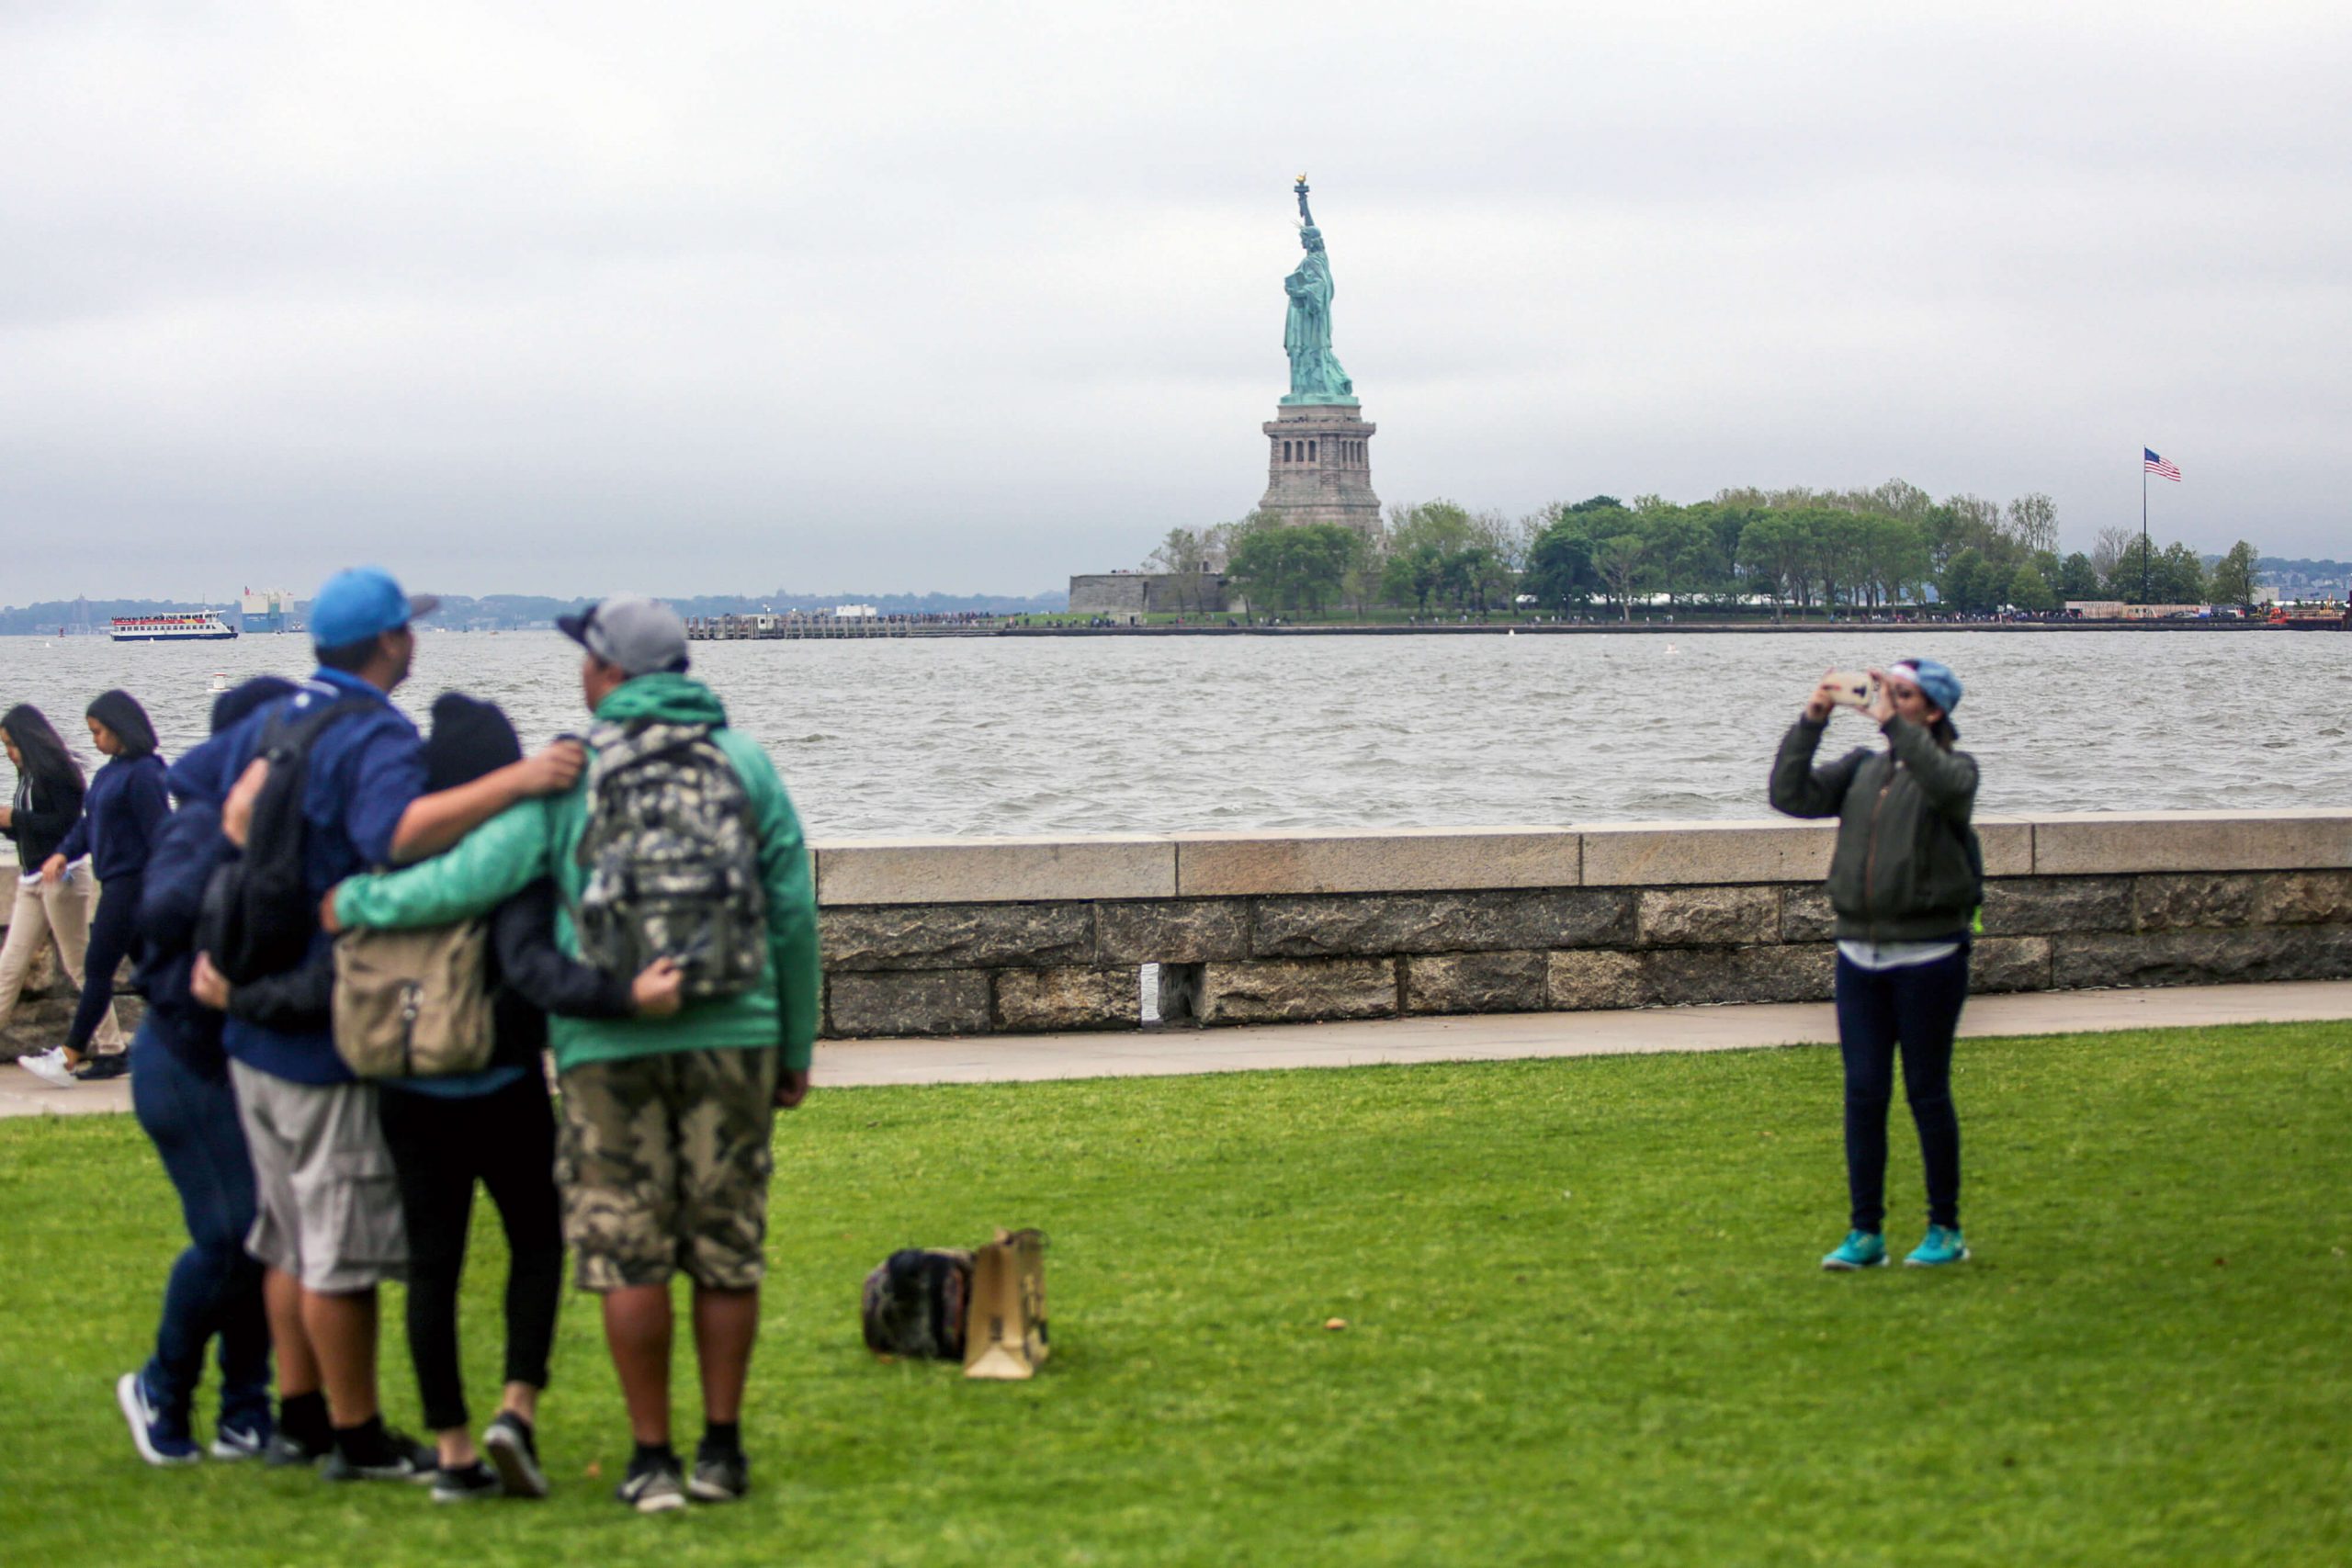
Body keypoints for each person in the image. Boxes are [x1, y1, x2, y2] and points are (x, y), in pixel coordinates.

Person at [327, 593, 820, 1516]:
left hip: (606, 1044)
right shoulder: (745, 761)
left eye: (586, 659)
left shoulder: (572, 770)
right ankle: (721, 1452)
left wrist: (357, 902)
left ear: (609, 673)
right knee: (725, 1249)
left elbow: (467, 878)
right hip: (736, 1030)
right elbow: (792, 908)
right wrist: (793, 1042)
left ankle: (652, 1461)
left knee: (632, 1252)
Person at [182, 566, 585, 1483]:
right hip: (331, 1026)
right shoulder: (375, 736)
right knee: (339, 1255)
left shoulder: (278, 717)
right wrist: (523, 779)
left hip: (255, 1022)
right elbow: (396, 837)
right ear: (392, 640)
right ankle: (357, 1436)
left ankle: (304, 1417)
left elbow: (200, 787)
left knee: (290, 1240)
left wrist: (251, 856)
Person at [374, 694, 686, 1504]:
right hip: (503, 1080)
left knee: (432, 1266)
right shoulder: (510, 854)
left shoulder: (398, 853)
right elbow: (530, 964)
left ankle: (451, 1450)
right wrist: (617, 996)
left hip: (406, 1086)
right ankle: (517, 1404)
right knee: (538, 1242)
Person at [112, 677, 298, 1466]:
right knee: (230, 1232)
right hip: (182, 1057)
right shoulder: (197, 822)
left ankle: (244, 1409)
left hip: (243, 1056)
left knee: (265, 1235)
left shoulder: (281, 826)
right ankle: (160, 1385)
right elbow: (159, 916)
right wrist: (232, 829)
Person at [1770, 659, 1979, 1271]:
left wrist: (1891, 723)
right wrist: (1813, 717)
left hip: (1930, 957)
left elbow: (1945, 784)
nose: (1886, 699)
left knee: (1926, 1092)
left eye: (1901, 693)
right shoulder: (1864, 769)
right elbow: (1790, 794)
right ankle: (1866, 1234)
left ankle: (1945, 1228)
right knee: (1863, 1093)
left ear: (1931, 710)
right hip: (1858, 956)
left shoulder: (1955, 771)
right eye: (1885, 690)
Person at [24, 690, 169, 1085]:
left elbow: (161, 834)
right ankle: (197, 1043)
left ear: (121, 729)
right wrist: (62, 853)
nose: (95, 740)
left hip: (132, 885)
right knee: (154, 976)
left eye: (99, 731)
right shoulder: (109, 774)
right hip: (116, 881)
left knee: (98, 968)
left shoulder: (145, 773)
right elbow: (90, 825)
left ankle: (68, 1056)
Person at [0, 705, 126, 1061]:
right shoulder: (26, 776)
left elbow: (67, 826)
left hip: (62, 878)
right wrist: (9, 824)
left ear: (29, 739)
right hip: (32, 879)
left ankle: (113, 1047)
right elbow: (31, 830)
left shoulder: (58, 773)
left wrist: (16, 819)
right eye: (5, 746)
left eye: (12, 744)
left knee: (80, 967)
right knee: (9, 966)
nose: (9, 753)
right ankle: (112, 1046)